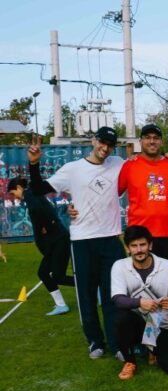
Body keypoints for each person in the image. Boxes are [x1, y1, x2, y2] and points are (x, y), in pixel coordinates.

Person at [28, 128, 126, 359]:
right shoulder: (73, 169)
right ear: (93, 140)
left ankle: (117, 344)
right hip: (82, 240)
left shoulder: (118, 163)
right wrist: (33, 164)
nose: (105, 148)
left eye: (110, 144)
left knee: (114, 294)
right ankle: (95, 342)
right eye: (102, 142)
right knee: (86, 295)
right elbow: (39, 189)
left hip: (111, 239)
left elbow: (145, 166)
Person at [111, 225, 168, 380]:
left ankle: (153, 349)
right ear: (127, 248)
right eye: (134, 246)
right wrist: (140, 302)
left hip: (163, 325)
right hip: (136, 324)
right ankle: (129, 361)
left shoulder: (166, 265)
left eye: (142, 245)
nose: (139, 250)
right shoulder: (119, 266)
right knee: (120, 317)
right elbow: (117, 299)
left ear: (150, 245)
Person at [8, 176, 74, 316]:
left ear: (19, 188)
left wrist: (45, 227)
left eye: (13, 193)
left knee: (57, 276)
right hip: (55, 241)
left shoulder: (31, 196)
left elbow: (43, 212)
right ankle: (61, 305)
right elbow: (47, 211)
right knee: (44, 273)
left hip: (58, 240)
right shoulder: (32, 195)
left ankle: (92, 285)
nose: (15, 197)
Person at [118, 124, 168, 262]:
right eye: (147, 137)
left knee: (165, 274)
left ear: (161, 141)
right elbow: (112, 194)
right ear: (140, 141)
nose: (152, 141)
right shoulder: (129, 165)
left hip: (167, 234)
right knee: (139, 275)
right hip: (138, 235)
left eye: (156, 138)